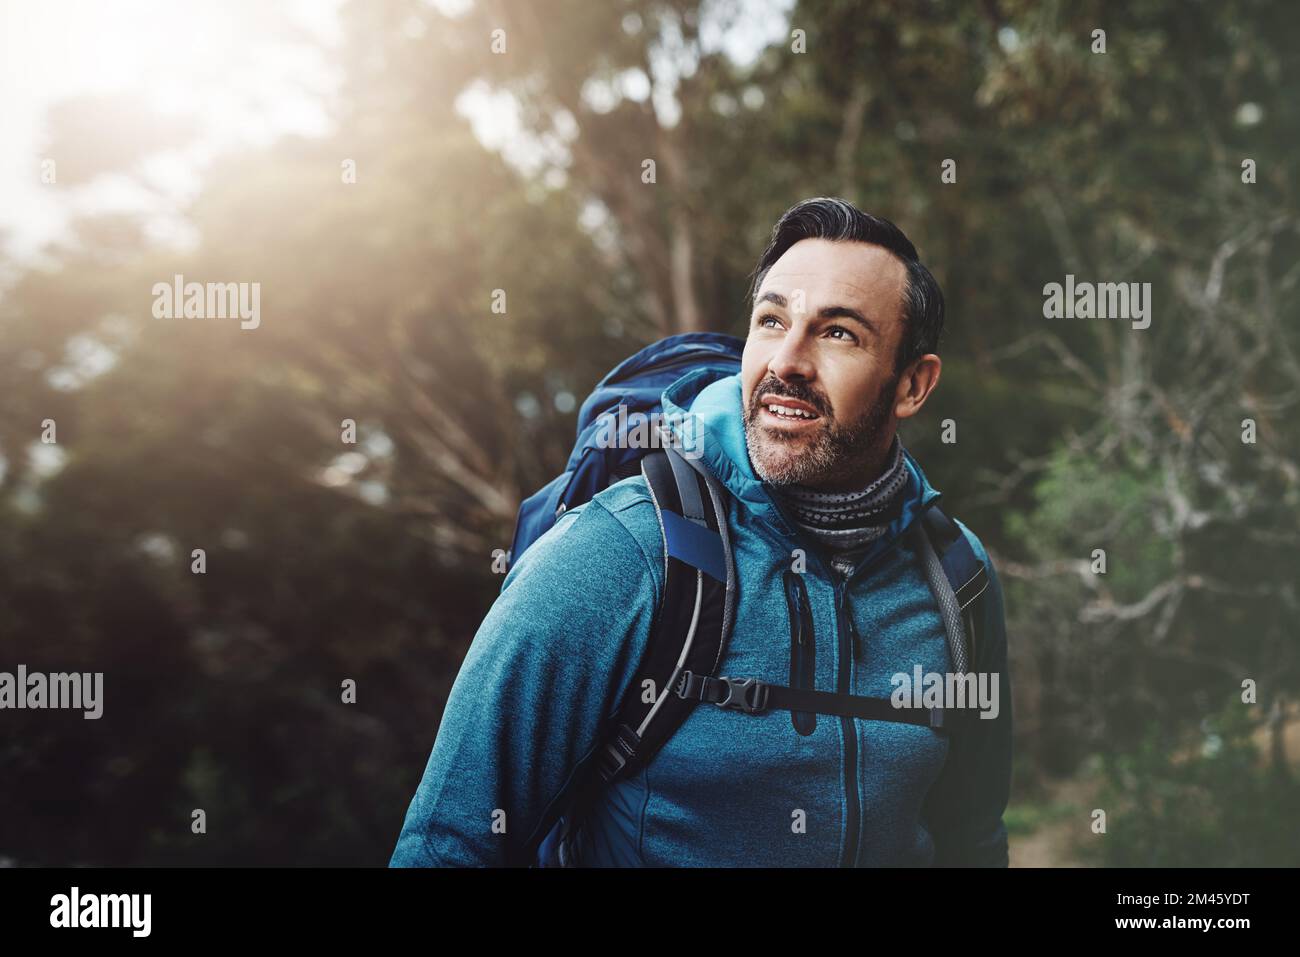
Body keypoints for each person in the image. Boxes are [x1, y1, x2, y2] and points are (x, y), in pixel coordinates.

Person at [390, 197, 1011, 867]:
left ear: (913, 385)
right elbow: (448, 846)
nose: (789, 361)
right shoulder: (620, 553)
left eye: (838, 333)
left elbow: (972, 839)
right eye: (771, 321)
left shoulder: (956, 579)